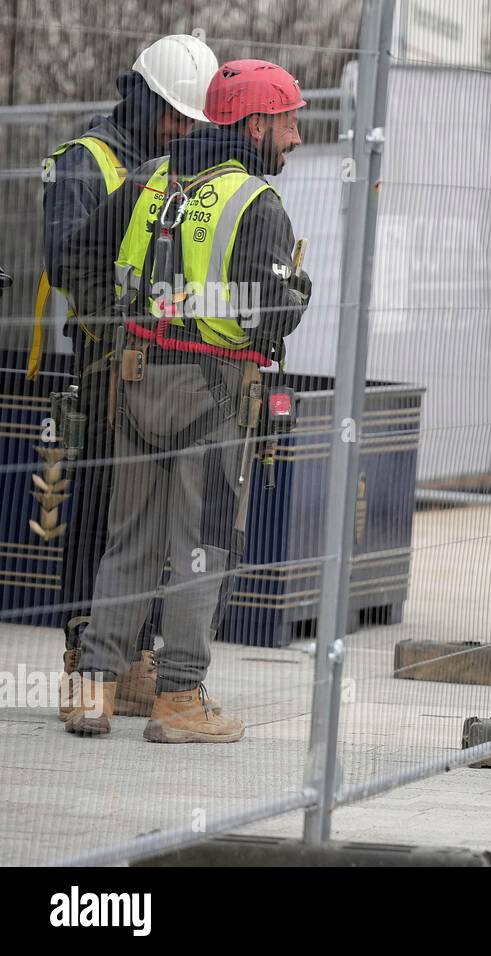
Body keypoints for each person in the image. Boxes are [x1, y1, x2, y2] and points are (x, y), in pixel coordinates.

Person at [61, 59, 313, 742]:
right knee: (201, 548)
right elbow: (267, 318)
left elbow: (74, 260)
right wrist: (300, 290)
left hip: (136, 378)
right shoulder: (254, 204)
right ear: (255, 125)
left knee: (129, 542)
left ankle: (93, 690)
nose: (295, 137)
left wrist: (120, 320)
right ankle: (178, 699)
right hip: (215, 393)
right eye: (288, 121)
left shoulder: (148, 178)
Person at [40, 35, 219, 722]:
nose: (180, 130)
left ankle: (132, 657)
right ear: (139, 96)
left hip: (157, 366)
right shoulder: (85, 163)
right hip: (101, 362)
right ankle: (86, 659)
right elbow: (70, 265)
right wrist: (128, 326)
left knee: (140, 519)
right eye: (172, 114)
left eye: (189, 121)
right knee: (97, 512)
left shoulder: (167, 165)